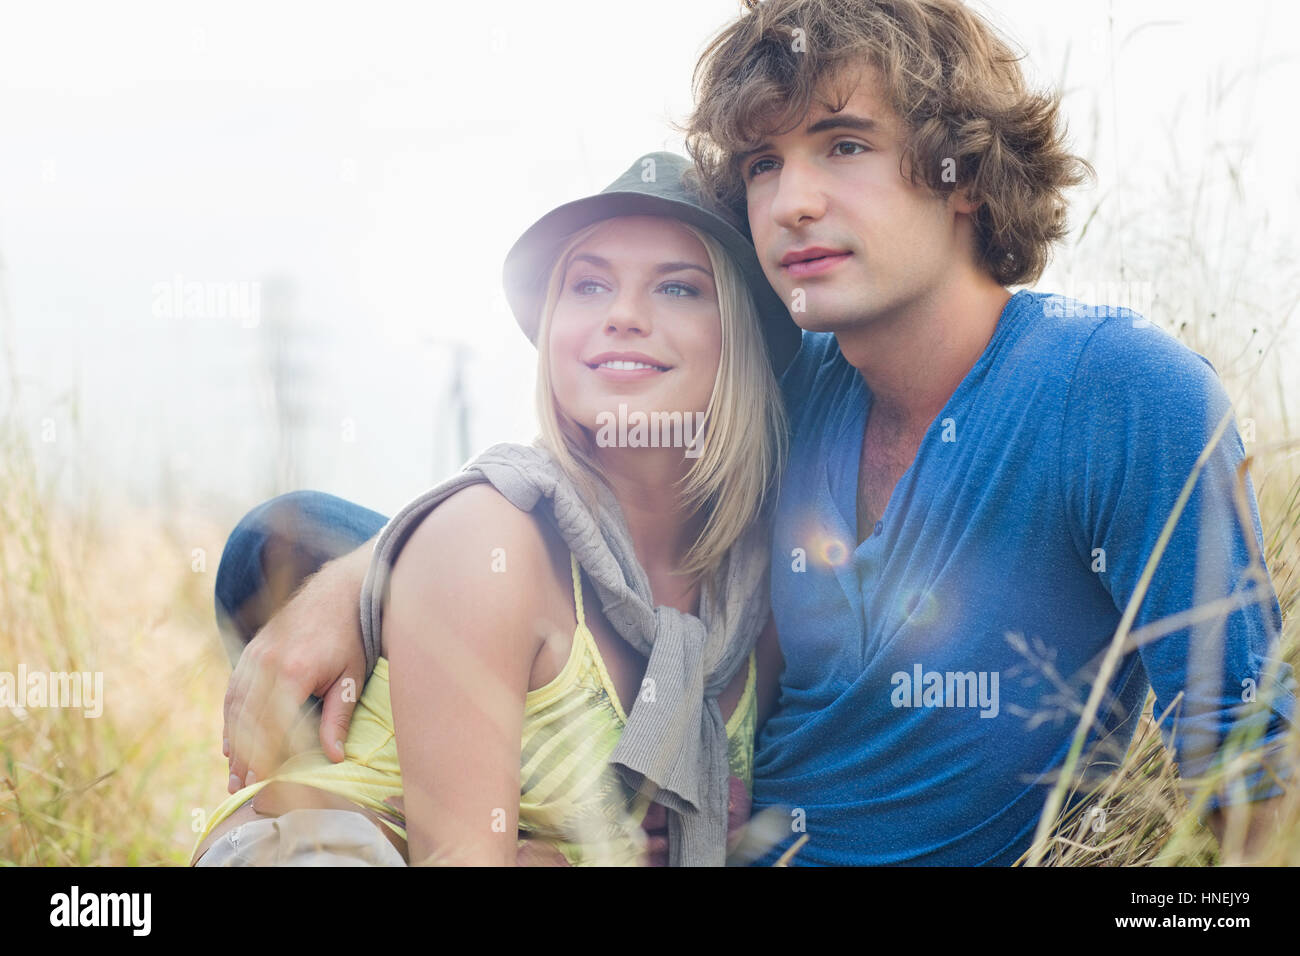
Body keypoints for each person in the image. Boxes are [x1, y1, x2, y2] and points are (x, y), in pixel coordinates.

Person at [220, 0, 1295, 867]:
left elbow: (1249, 778)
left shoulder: (1120, 394)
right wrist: (357, 583)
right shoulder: (790, 385)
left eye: (842, 144)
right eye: (764, 164)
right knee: (279, 534)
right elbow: (565, 498)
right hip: (692, 801)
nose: (788, 201)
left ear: (960, 170)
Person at [193, 151, 797, 866]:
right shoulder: (489, 538)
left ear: (742, 339)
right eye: (589, 284)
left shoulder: (754, 596)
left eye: (677, 288)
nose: (624, 316)